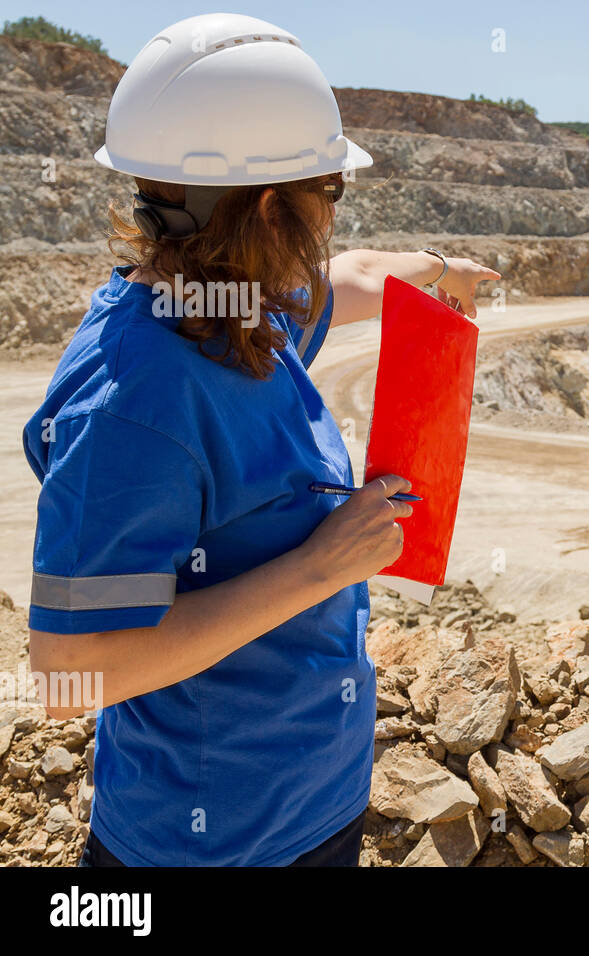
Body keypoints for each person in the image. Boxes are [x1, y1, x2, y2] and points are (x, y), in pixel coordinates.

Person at [23, 13, 499, 866]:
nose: (331, 214)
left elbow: (345, 277)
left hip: (313, 811)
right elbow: (69, 671)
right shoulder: (138, 399)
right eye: (331, 191)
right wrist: (322, 566)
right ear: (275, 208)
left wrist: (434, 269)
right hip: (208, 845)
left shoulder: (230, 308)